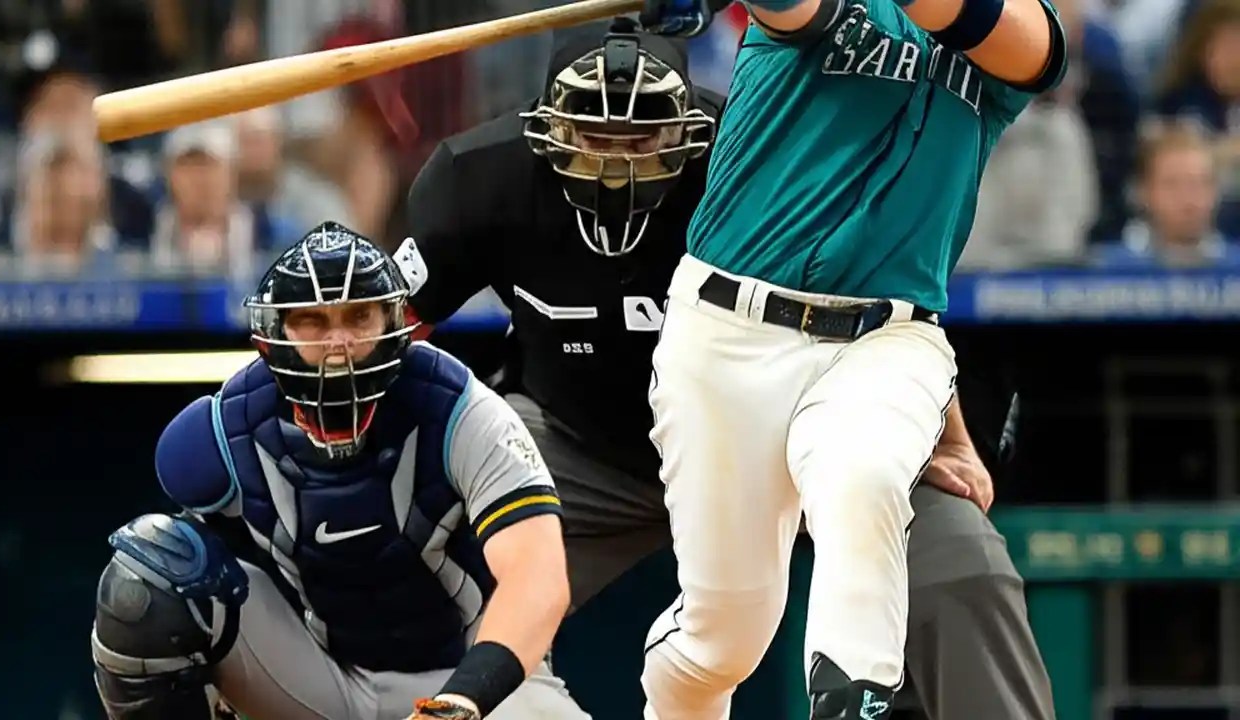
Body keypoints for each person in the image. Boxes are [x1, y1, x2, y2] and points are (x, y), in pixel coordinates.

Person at [402, 18, 1054, 720]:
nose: (617, 157)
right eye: (592, 133)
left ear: (690, 120)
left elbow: (875, 301)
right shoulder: (479, 176)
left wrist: (939, 426)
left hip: (796, 433)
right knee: (430, 584)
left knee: (963, 567)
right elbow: (389, 336)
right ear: (545, 123)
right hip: (585, 454)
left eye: (646, 133)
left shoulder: (758, 140)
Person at [624, 0, 1068, 716]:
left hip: (888, 339)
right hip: (731, 332)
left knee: (860, 479)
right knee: (724, 638)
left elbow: (1016, 42)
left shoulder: (1023, 25)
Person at [87, 221, 591, 720]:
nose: (338, 344)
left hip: (464, 681)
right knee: (148, 579)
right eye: (313, 320)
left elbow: (539, 579)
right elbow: (204, 582)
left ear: (395, 324)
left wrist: (462, 703)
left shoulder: (462, 409)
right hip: (326, 680)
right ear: (272, 334)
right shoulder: (223, 429)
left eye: (358, 317)